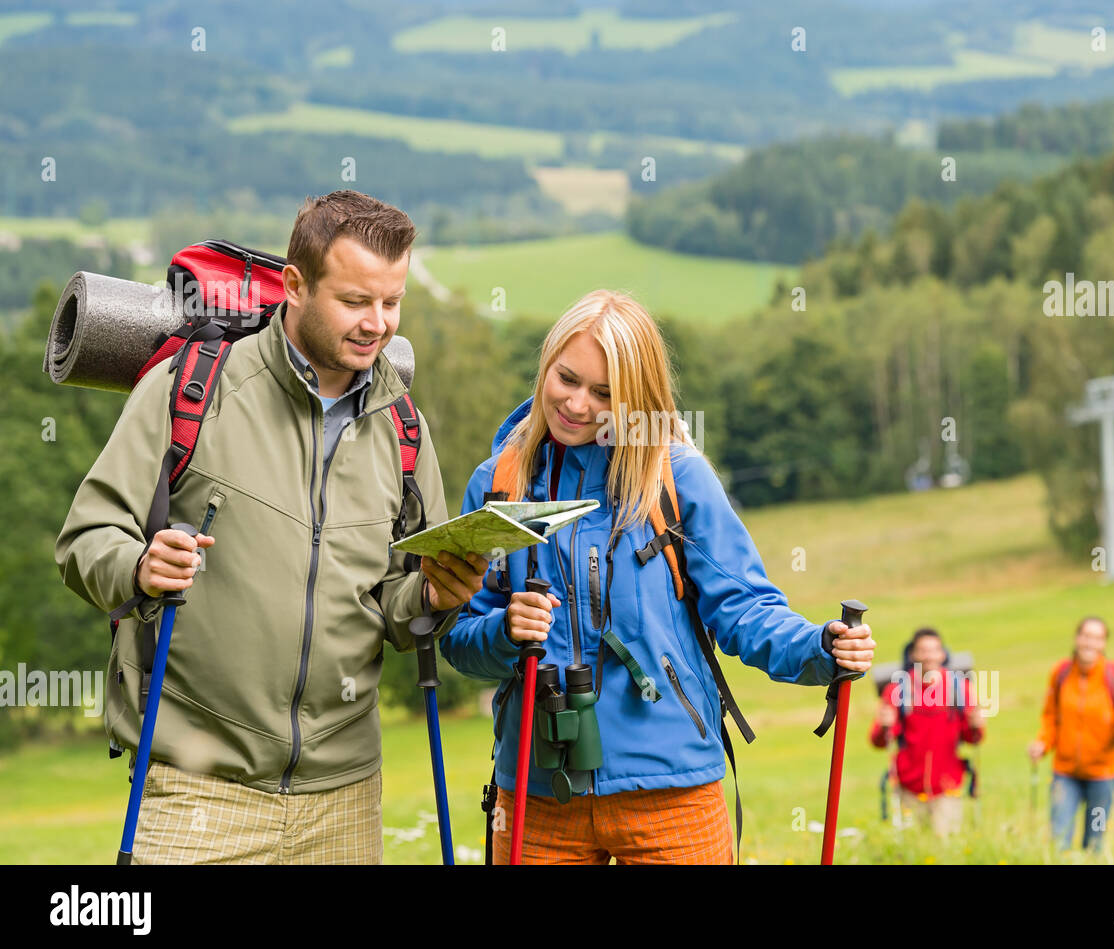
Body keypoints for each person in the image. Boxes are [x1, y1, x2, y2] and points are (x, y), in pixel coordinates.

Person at [55, 190, 487, 863]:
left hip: (346, 797)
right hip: (197, 786)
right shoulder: (187, 390)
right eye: (354, 301)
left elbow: (396, 607)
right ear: (294, 285)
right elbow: (87, 537)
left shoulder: (403, 427)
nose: (378, 324)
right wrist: (139, 567)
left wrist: (434, 597)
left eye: (392, 302)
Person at [438, 289, 875, 865]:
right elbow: (456, 635)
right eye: (566, 379)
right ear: (545, 364)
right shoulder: (499, 484)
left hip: (673, 791)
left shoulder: (678, 479)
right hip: (539, 791)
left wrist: (820, 647)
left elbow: (743, 609)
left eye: (604, 394)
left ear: (636, 399)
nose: (576, 404)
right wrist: (504, 634)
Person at [1029, 616, 1114, 852]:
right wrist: (1042, 744)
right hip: (1065, 775)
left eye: (1097, 638)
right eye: (1086, 636)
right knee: (1058, 839)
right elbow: (1050, 718)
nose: (1090, 643)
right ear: (1077, 639)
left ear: (1104, 644)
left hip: (1104, 778)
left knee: (1095, 841)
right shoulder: (1061, 673)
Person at [869, 627, 983, 839]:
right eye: (923, 650)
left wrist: (977, 725)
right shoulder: (897, 690)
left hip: (947, 787)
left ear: (943, 654)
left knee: (945, 851)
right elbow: (878, 741)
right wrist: (885, 725)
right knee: (912, 852)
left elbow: (972, 738)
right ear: (913, 655)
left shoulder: (960, 687)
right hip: (908, 787)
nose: (929, 656)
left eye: (934, 650)